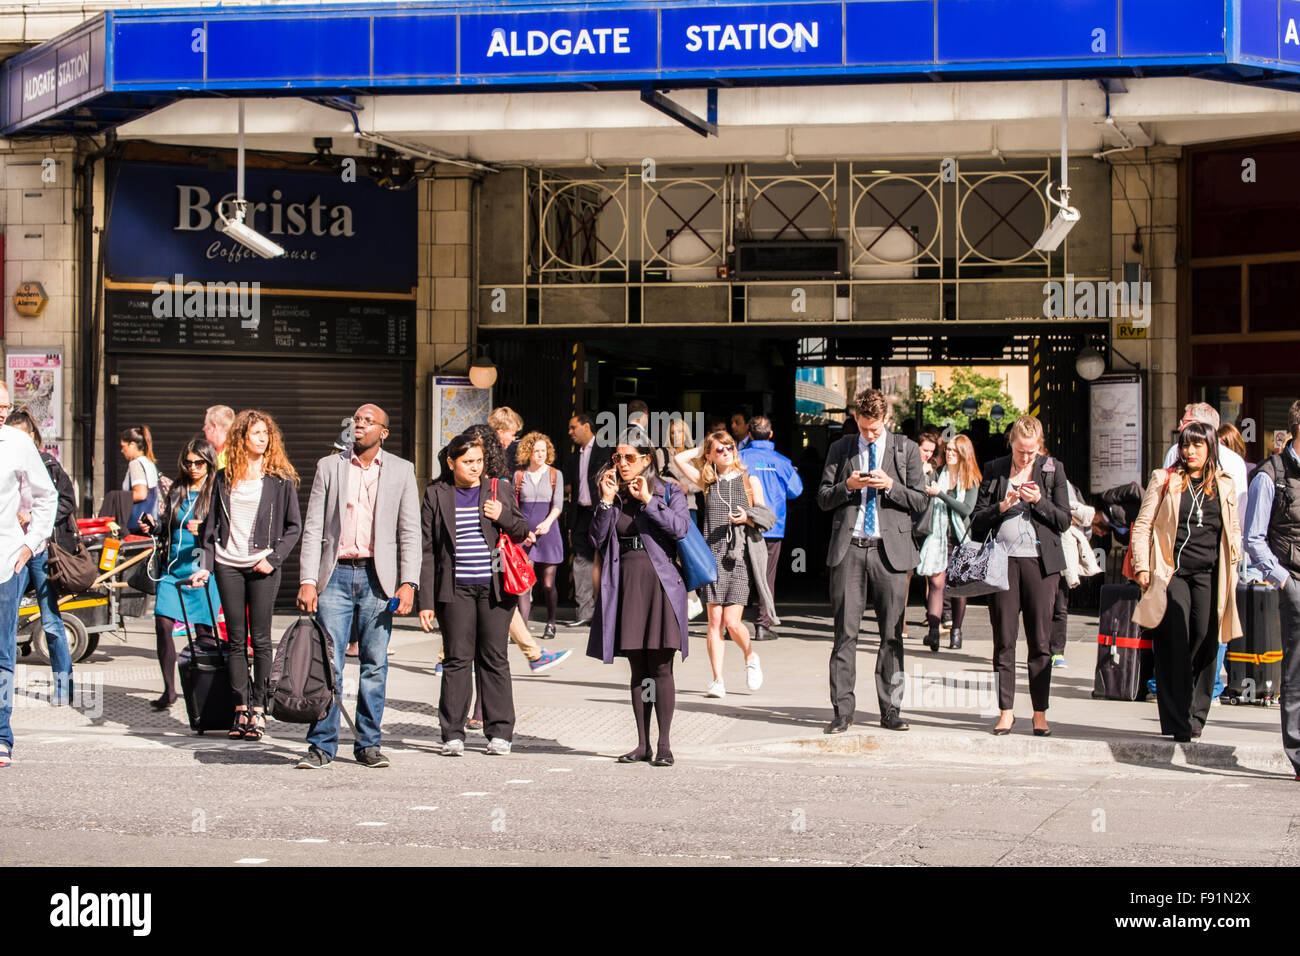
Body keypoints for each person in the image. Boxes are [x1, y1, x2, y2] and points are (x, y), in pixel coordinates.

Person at [295, 403, 420, 769]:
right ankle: (321, 744)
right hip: (334, 576)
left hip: (377, 580)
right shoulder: (328, 467)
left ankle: (368, 743)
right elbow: (314, 527)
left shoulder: (401, 470)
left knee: (374, 665)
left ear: (383, 431)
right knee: (329, 663)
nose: (360, 425)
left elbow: (409, 531)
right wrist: (307, 580)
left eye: (368, 421)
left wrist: (408, 582)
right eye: (356, 420)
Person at [818, 388, 928, 734]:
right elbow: (822, 498)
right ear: (856, 420)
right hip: (850, 548)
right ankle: (842, 711)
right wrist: (847, 486)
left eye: (875, 429)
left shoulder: (906, 449)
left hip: (889, 552)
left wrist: (891, 485)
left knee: (891, 635)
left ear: (886, 420)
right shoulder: (841, 448)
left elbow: (921, 501)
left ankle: (890, 709)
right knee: (845, 635)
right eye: (864, 428)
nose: (869, 434)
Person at [419, 431, 530, 757]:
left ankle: (500, 733)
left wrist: (503, 516)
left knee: (494, 658)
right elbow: (427, 550)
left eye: (479, 462)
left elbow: (522, 531)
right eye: (467, 462)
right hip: (454, 590)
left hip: (495, 589)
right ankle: (452, 733)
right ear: (451, 462)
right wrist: (425, 601)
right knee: (456, 659)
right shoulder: (437, 494)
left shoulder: (499, 489)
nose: (475, 468)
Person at [194, 410, 302, 742]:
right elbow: (209, 531)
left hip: (262, 566)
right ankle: (240, 709)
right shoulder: (223, 477)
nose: (263, 439)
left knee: (262, 639)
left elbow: (293, 527)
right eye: (256, 433)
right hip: (228, 564)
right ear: (241, 437)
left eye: (266, 434)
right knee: (236, 641)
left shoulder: (279, 480)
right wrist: (204, 566)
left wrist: (274, 558)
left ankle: (260, 708)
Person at [1131, 421, 1242, 742]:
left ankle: (1197, 713)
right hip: (1171, 573)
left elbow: (1232, 529)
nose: (1189, 452)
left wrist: (1235, 560)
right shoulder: (1164, 479)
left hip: (1211, 573)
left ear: (1210, 448)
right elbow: (1142, 525)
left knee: (1207, 638)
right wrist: (1142, 566)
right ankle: (1178, 719)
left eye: (1197, 446)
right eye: (1185, 445)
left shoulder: (1225, 484)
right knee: (1174, 640)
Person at [588, 428, 690, 766]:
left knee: (661, 665)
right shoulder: (614, 494)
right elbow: (597, 539)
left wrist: (648, 500)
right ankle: (642, 743)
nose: (622, 464)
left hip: (660, 582)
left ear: (647, 460)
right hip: (627, 583)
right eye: (618, 457)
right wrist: (604, 501)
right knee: (637, 668)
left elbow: (680, 529)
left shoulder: (668, 490)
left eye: (629, 457)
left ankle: (664, 745)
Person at [969, 415, 1072, 737]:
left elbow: (1064, 520)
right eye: (1019, 451)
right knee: (1004, 641)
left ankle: (1039, 714)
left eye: (1030, 452)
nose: (1025, 457)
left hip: (1040, 565)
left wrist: (1038, 501)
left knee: (1041, 642)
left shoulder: (1052, 469)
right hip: (1003, 563)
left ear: (1038, 447)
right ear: (1011, 443)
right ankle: (1006, 711)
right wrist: (1002, 506)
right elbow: (976, 521)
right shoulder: (995, 468)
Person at [673, 431, 767, 699]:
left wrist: (746, 518)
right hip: (711, 557)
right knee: (714, 621)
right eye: (719, 450)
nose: (726, 452)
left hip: (737, 557)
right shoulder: (707, 482)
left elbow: (765, 517)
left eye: (729, 447)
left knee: (732, 622)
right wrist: (702, 449)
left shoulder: (750, 482)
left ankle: (750, 656)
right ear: (710, 455)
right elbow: (679, 459)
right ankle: (717, 679)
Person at [143, 438, 222, 711]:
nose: (193, 468)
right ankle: (169, 691)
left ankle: (207, 689)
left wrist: (206, 530)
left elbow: (226, 528)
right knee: (162, 624)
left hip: (202, 568)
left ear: (209, 463)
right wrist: (154, 526)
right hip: (173, 570)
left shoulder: (217, 490)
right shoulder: (177, 488)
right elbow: (167, 523)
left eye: (199, 463)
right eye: (188, 463)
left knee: (203, 632)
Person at [1244, 399, 1300, 778]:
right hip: (1294, 579)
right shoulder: (1271, 474)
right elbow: (1253, 537)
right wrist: (1283, 580)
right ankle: (1298, 754)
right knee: (1296, 672)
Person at [7, 410, 77, 706]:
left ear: (33, 437)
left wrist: (34, 516)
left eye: (24, 435)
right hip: (10, 549)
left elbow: (66, 503)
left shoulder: (48, 465)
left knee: (50, 619)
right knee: (7, 621)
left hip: (40, 551)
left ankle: (64, 686)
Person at [0, 418, 57, 768]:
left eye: (4, 406)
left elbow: (46, 496)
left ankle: (1, 735)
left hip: (5, 562)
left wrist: (30, 544)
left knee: (3, 651)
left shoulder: (17, 442)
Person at [739, 416, 804, 641]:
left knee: (741, 572)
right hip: (772, 526)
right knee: (767, 576)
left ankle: (733, 624)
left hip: (743, 523)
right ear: (771, 435)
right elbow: (796, 491)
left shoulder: (740, 457)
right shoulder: (782, 462)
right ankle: (762, 625)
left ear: (749, 435)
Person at [917, 434, 981, 652]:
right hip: (938, 537)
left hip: (960, 539)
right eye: (948, 451)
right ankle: (933, 632)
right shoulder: (938, 473)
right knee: (936, 584)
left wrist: (941, 494)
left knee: (958, 587)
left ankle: (956, 632)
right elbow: (923, 495)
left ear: (964, 454)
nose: (950, 454)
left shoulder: (970, 479)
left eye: (955, 451)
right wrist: (924, 474)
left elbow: (966, 509)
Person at [514, 431, 564, 640]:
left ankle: (551, 622)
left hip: (548, 533)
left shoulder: (555, 474)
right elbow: (514, 507)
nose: (540, 455)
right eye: (536, 451)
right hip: (525, 536)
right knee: (525, 584)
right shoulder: (519, 476)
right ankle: (522, 629)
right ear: (528, 452)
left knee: (548, 583)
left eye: (543, 451)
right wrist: (522, 531)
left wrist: (547, 522)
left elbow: (558, 505)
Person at [1163, 403, 1248, 514]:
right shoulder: (1175, 452)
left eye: (1184, 423)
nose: (1179, 428)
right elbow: (1164, 496)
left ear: (1201, 427)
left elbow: (1238, 509)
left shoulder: (1233, 461)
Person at [563, 412, 599, 627]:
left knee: (603, 562)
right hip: (580, 514)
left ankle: (604, 612)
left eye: (573, 427)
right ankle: (584, 612)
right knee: (581, 562)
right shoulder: (575, 455)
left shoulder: (604, 450)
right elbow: (572, 488)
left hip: (601, 513)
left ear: (586, 426)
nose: (570, 432)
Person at [101, 426, 160, 534]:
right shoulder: (149, 463)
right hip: (149, 523)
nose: (122, 450)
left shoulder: (136, 464)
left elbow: (141, 494)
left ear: (132, 444)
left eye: (123, 446)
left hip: (136, 526)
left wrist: (113, 497)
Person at [203, 405, 235, 470]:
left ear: (215, 426)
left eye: (206, 424)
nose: (204, 428)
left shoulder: (227, 455)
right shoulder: (233, 449)